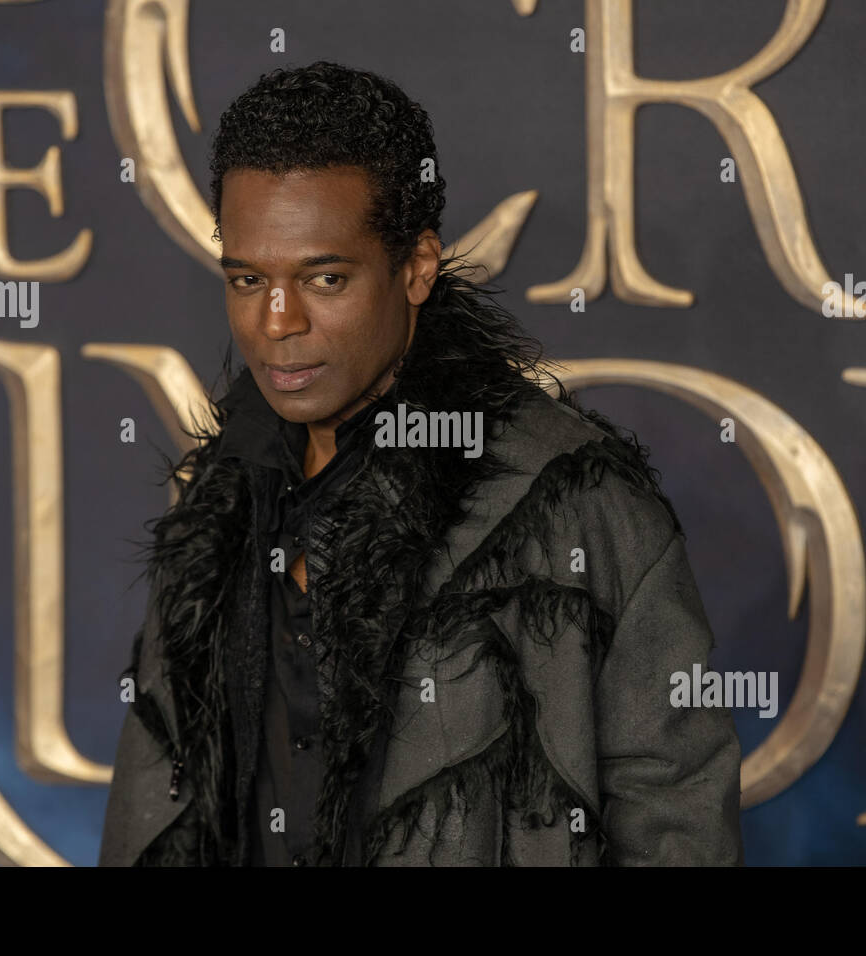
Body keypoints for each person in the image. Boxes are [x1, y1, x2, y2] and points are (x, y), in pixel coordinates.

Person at [98, 60, 743, 867]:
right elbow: (155, 804)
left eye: (324, 278)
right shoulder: (221, 504)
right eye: (246, 278)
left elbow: (678, 821)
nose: (276, 322)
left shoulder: (571, 501)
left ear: (417, 267)